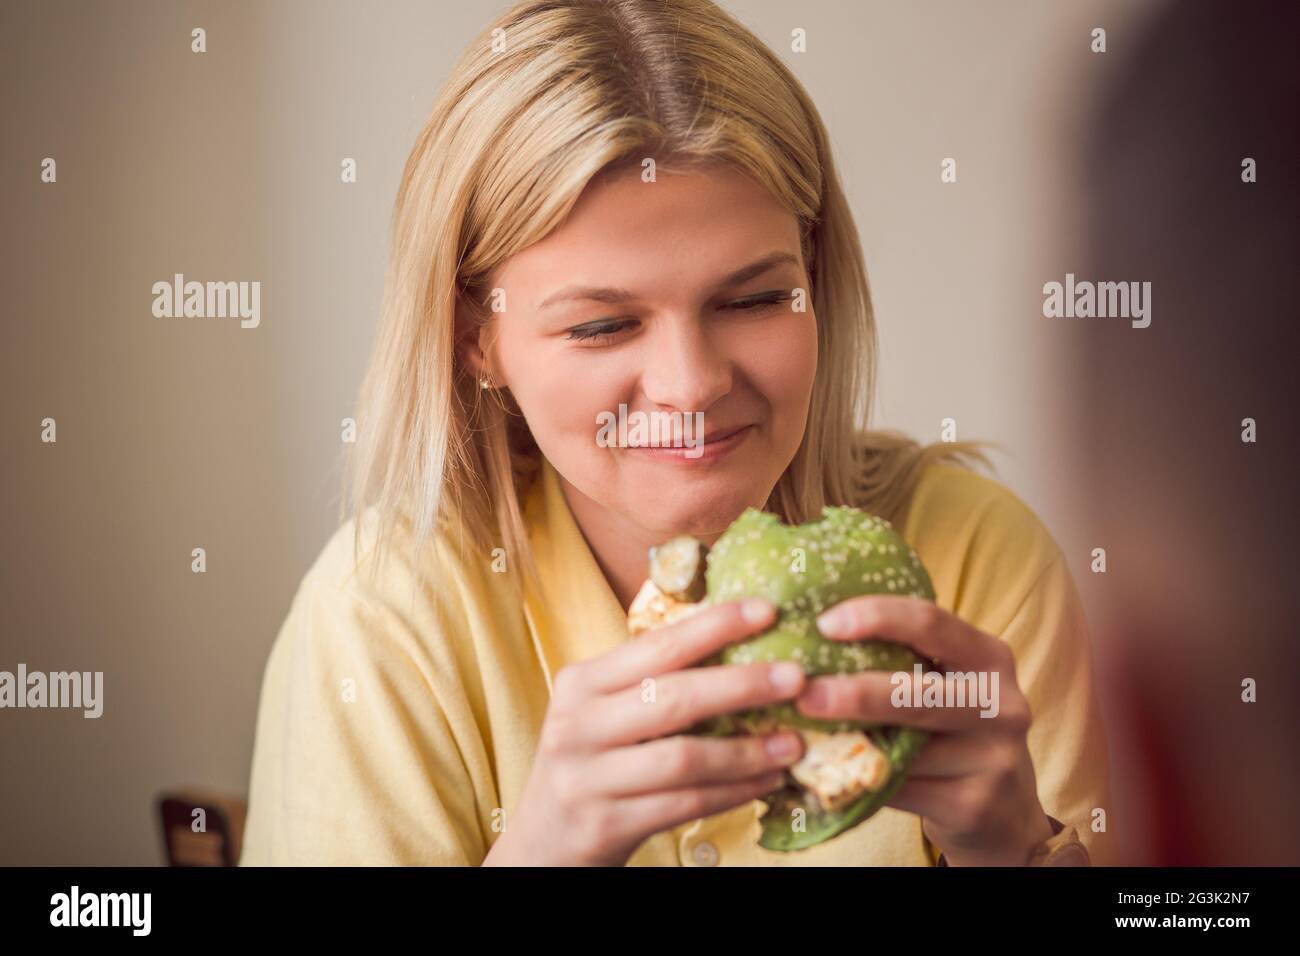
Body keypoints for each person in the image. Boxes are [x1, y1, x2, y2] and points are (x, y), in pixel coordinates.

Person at [240, 0, 1110, 867]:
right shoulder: (384, 625)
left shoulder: (972, 563)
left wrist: (1015, 855)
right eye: (600, 327)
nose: (692, 384)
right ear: (478, 337)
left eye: (754, 300)